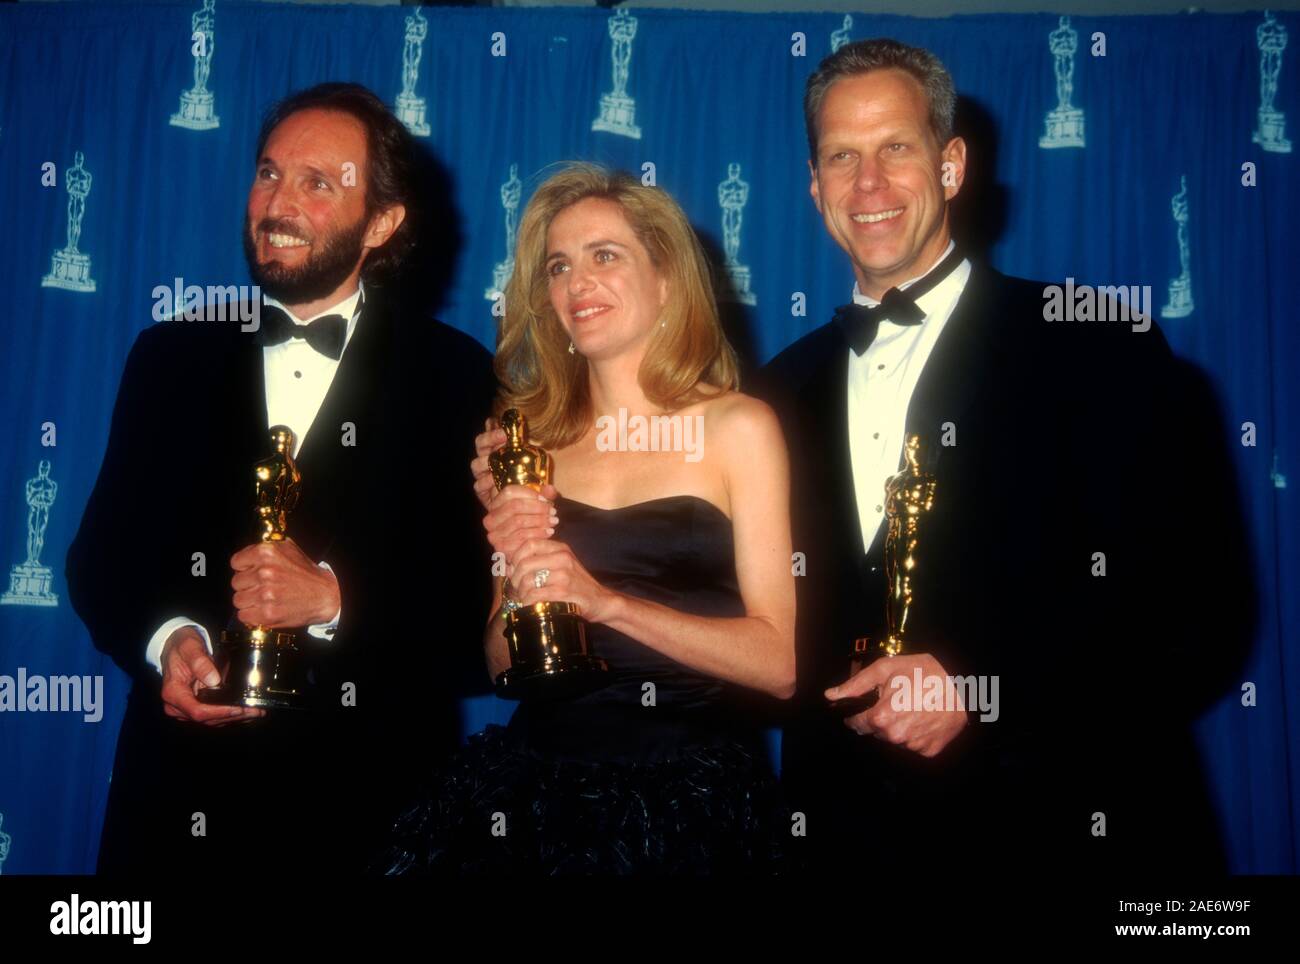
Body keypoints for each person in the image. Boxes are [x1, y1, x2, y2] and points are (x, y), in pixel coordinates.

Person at [757, 39, 1250, 874]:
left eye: (896, 149)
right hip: (845, 843)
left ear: (951, 165)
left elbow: (1193, 612)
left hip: (1062, 831)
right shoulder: (774, 392)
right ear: (813, 184)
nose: (868, 185)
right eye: (842, 156)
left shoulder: (1098, 343)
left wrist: (984, 690)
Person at [66, 83, 496, 875]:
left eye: (317, 182)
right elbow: (102, 564)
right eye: (269, 173)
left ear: (383, 222)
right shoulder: (169, 355)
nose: (277, 203)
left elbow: (482, 612)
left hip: (370, 812)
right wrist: (170, 642)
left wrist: (335, 601)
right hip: (175, 805)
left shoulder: (457, 376)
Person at [378, 163, 797, 874]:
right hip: (535, 799)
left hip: (691, 808)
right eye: (559, 267)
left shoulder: (739, 428)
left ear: (666, 280)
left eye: (606, 256)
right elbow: (499, 661)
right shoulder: (523, 444)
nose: (577, 283)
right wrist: (518, 568)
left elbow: (780, 666)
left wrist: (605, 604)